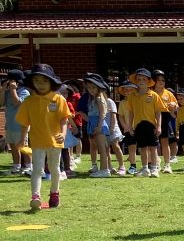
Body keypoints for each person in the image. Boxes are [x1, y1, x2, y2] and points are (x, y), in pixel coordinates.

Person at [16, 64, 73, 211]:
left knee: (54, 169)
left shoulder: (58, 99)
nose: (40, 85)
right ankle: (35, 197)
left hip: (55, 141)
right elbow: (24, 122)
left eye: (44, 81)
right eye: (37, 81)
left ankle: (54, 193)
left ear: (52, 82)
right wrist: (22, 139)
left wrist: (63, 134)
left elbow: (64, 120)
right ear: (32, 83)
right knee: (37, 169)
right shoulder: (29, 101)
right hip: (37, 141)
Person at [124, 68, 167, 177]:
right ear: (136, 81)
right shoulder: (132, 96)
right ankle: (145, 169)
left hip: (151, 125)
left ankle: (154, 168)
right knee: (142, 147)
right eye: (139, 79)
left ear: (148, 81)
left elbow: (158, 112)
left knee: (153, 147)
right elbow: (131, 112)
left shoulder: (153, 95)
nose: (141, 81)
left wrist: (158, 126)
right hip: (138, 125)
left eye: (144, 79)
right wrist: (129, 125)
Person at [82, 74, 113, 177]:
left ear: (98, 87)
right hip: (93, 123)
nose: (91, 90)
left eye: (93, 87)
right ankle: (103, 169)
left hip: (99, 124)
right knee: (99, 148)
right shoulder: (92, 98)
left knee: (102, 148)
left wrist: (99, 126)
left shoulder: (100, 97)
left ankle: (104, 169)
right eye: (89, 87)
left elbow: (103, 113)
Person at [2, 69, 30, 176]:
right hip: (10, 125)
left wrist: (13, 90)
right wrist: (3, 90)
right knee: (13, 147)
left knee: (23, 147)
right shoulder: (8, 92)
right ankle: (16, 167)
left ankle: (28, 167)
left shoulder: (24, 92)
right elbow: (1, 103)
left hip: (21, 125)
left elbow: (18, 103)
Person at [152, 70, 178, 172]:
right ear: (154, 81)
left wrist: (174, 106)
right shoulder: (151, 93)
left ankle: (167, 164)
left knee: (165, 141)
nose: (161, 82)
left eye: (163, 80)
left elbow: (176, 106)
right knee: (154, 142)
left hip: (166, 117)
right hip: (153, 117)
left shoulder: (168, 93)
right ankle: (156, 162)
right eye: (158, 80)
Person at [116, 82, 139, 175]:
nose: (128, 92)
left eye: (130, 90)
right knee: (131, 147)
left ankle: (149, 164)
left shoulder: (138, 100)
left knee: (144, 147)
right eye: (126, 90)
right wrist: (125, 126)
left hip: (139, 126)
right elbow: (120, 116)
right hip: (128, 128)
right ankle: (133, 165)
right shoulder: (122, 103)